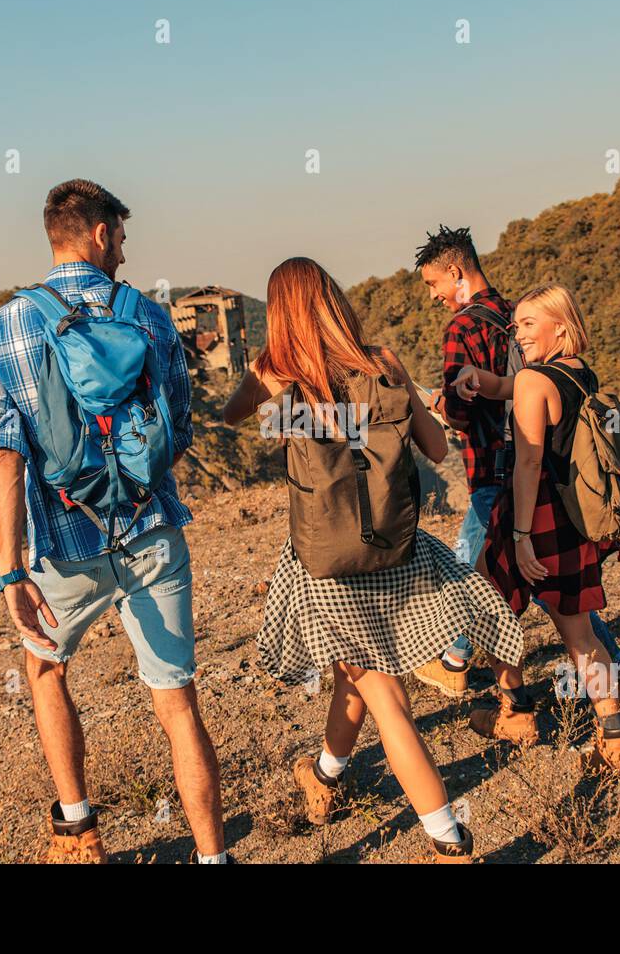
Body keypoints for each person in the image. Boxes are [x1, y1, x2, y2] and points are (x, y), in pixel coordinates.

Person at [223, 257, 526, 862]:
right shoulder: (383, 362)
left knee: (387, 698)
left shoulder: (278, 374)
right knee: (354, 676)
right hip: (396, 552)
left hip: (328, 566)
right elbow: (437, 447)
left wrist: (267, 380)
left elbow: (233, 418)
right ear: (335, 300)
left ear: (280, 314)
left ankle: (449, 841)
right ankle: (326, 775)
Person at [0, 179, 230, 863]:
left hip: (63, 544)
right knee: (178, 703)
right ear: (98, 234)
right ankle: (213, 856)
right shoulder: (148, 316)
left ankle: (80, 830)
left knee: (47, 669)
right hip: (152, 532)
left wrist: (10, 571)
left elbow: (3, 459)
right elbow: (178, 428)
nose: (124, 246)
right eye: (120, 233)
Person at [410, 225, 620, 699]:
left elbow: (463, 413)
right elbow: (517, 386)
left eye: (434, 284)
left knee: (490, 589)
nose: (433, 296)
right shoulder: (519, 317)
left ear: (455, 272)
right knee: (562, 602)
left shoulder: (462, 327)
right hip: (555, 483)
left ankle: (498, 692)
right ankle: (615, 696)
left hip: (503, 476)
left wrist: (436, 403)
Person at [453, 283, 620, 770]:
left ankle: (516, 712)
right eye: (515, 325)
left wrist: (518, 537)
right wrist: (476, 377)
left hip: (531, 520)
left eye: (528, 324)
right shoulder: (577, 374)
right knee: (580, 636)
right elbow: (506, 388)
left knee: (486, 614)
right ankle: (616, 740)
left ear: (561, 325)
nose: (518, 334)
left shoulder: (535, 381)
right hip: (572, 521)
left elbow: (528, 463)